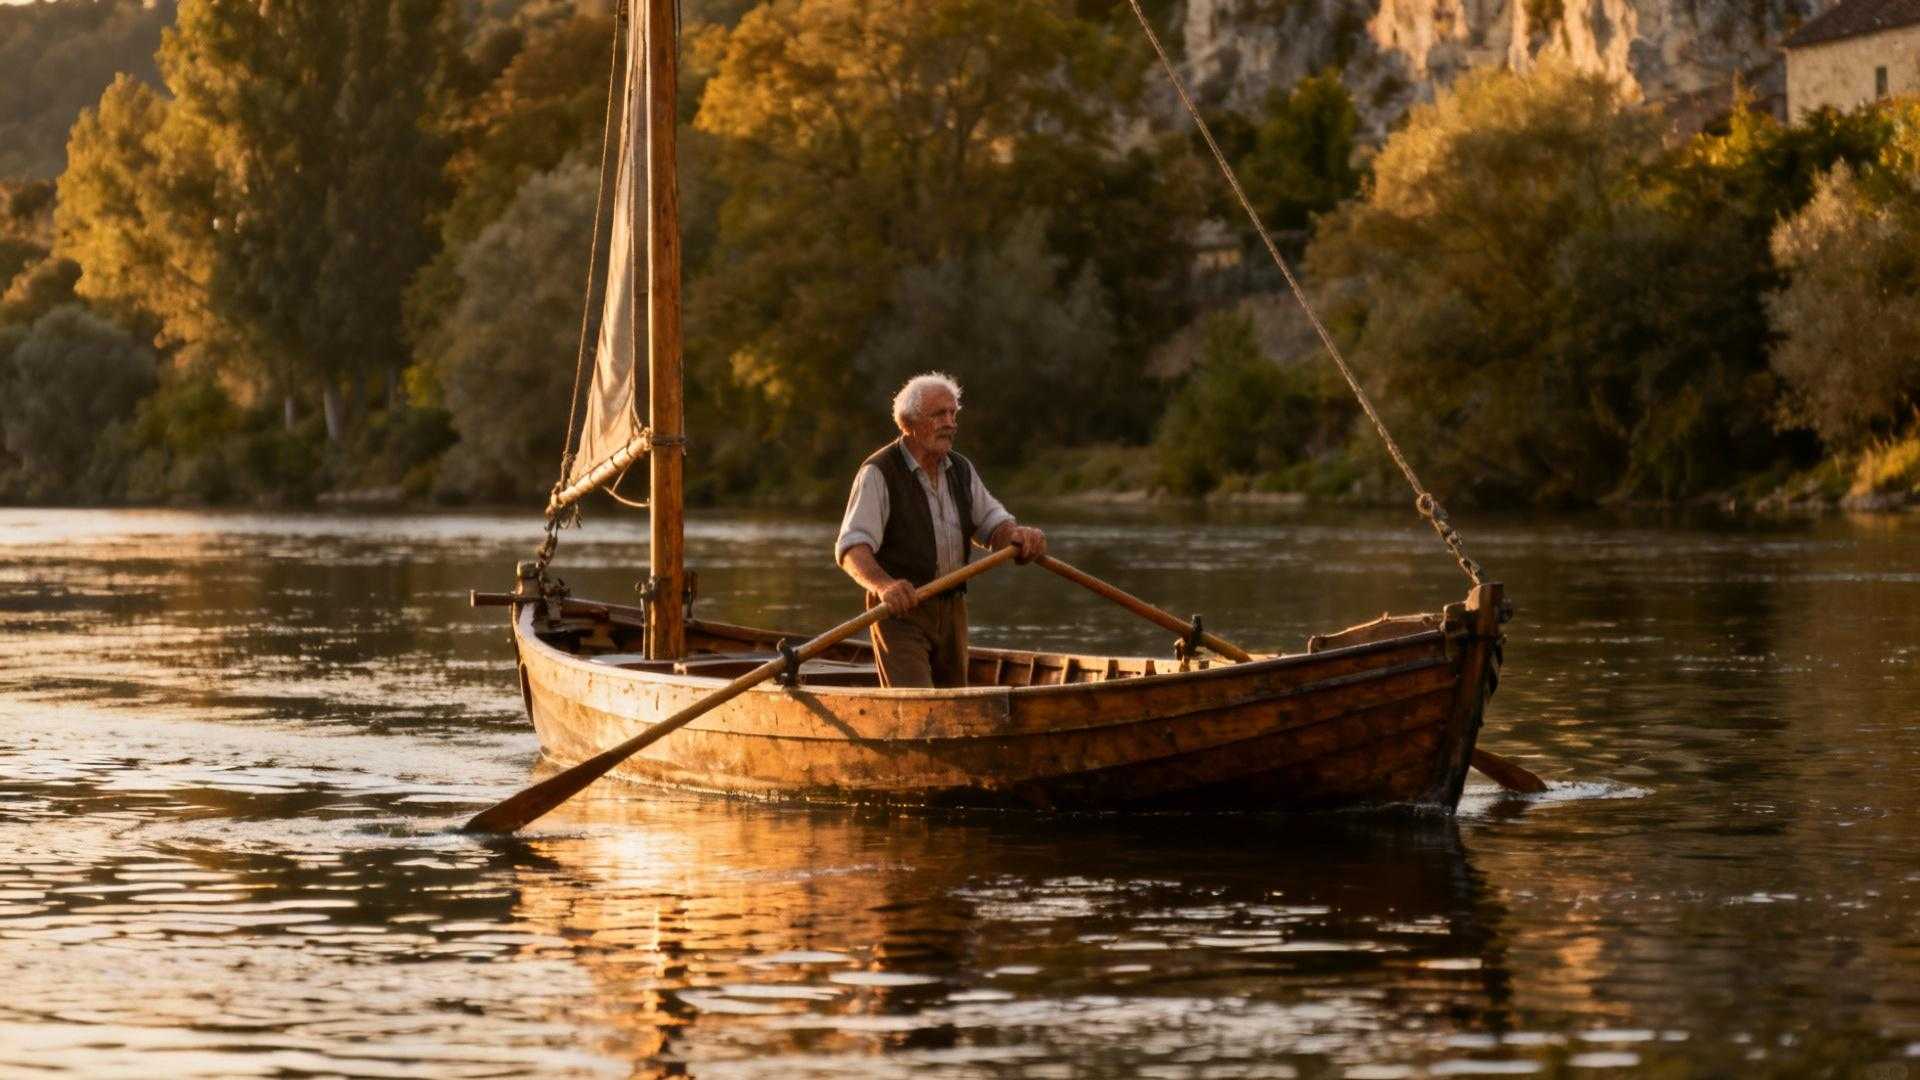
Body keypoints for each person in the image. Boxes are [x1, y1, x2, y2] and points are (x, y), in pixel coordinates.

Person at [834, 372, 1047, 688]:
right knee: (916, 703)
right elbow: (852, 548)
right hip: (901, 611)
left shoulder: (960, 469)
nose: (950, 423)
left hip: (952, 609)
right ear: (908, 423)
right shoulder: (878, 472)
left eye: (952, 414)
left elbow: (994, 527)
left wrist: (1018, 536)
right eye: (938, 415)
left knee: (955, 702)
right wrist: (884, 586)